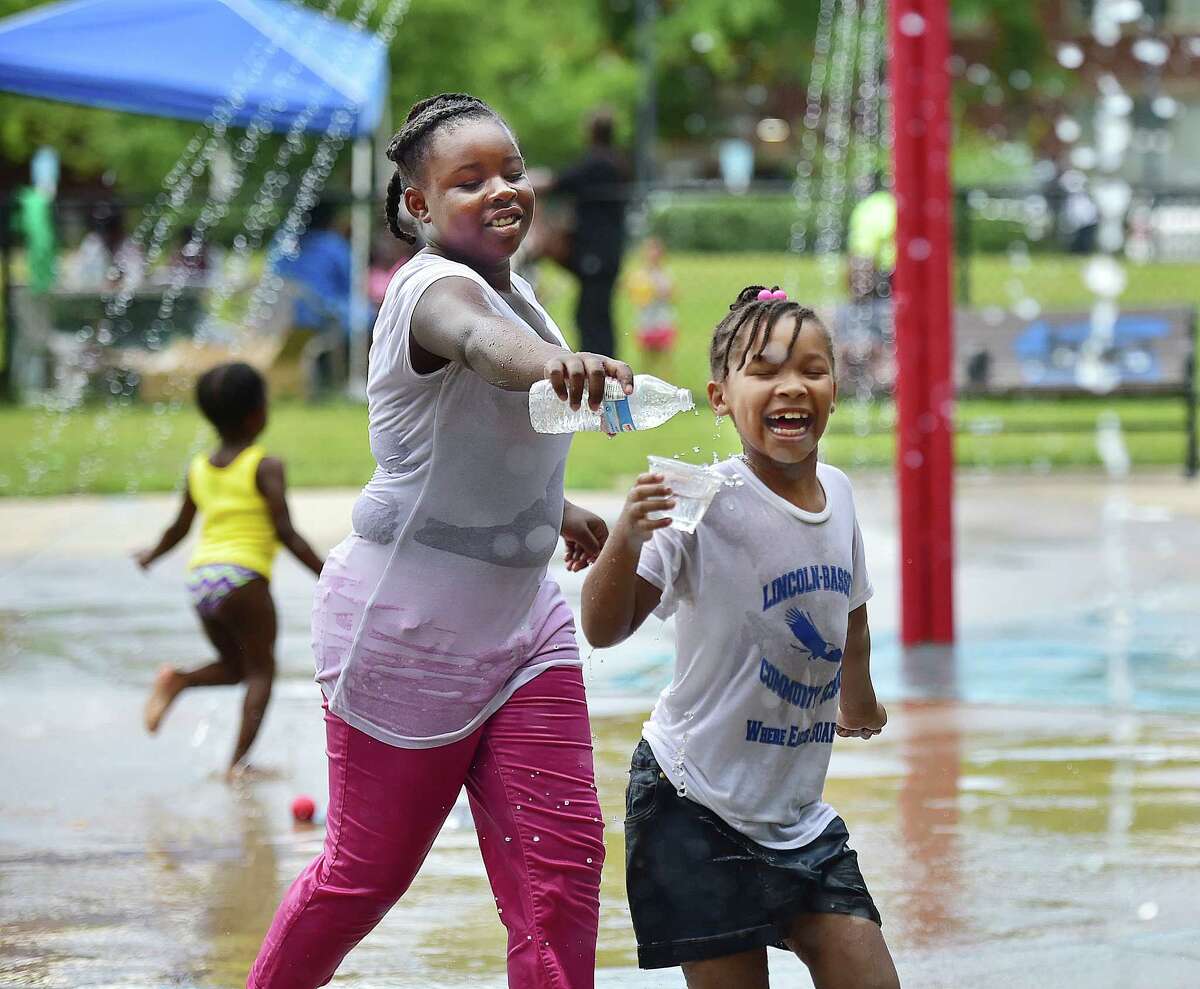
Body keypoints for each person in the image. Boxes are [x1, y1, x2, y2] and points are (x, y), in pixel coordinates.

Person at [247, 92, 634, 989]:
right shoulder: (432, 290)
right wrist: (556, 365)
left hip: (523, 625)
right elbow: (480, 348)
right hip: (407, 628)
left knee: (561, 873)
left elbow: (472, 436)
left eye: (511, 170)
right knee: (363, 878)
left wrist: (550, 507)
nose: (502, 189)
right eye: (469, 180)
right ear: (418, 206)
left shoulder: (520, 292)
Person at [581, 286, 899, 989]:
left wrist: (861, 703)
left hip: (797, 817)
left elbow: (852, 614)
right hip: (693, 804)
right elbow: (602, 628)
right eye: (764, 370)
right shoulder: (698, 498)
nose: (792, 386)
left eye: (812, 369)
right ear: (720, 396)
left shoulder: (840, 493)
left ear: (836, 390)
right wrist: (625, 538)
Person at [135, 362, 325, 778]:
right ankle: (238, 764)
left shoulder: (198, 467)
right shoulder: (263, 465)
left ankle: (179, 680)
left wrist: (152, 555)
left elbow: (180, 527)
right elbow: (286, 533)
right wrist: (329, 574)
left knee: (237, 668)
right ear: (257, 413)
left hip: (202, 580)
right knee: (262, 671)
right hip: (243, 580)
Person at [552, 108, 629, 358]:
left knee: (591, 315)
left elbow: (561, 182)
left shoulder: (598, 164)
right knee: (596, 312)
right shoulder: (616, 162)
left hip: (596, 252)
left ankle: (599, 366)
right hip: (608, 251)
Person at [271, 199, 352, 390]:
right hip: (320, 318)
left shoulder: (283, 244)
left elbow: (274, 277)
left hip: (283, 318)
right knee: (371, 318)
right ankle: (352, 378)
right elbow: (350, 285)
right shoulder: (334, 246)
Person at [843, 174, 896, 393]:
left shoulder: (867, 209)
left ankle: (874, 379)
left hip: (881, 276)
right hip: (905, 274)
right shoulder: (894, 203)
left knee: (868, 321)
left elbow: (863, 254)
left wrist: (856, 290)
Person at [626, 236, 678, 377]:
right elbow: (632, 293)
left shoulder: (665, 274)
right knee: (646, 359)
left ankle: (666, 384)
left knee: (664, 359)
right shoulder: (639, 275)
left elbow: (671, 294)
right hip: (646, 322)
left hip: (662, 321)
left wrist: (657, 291)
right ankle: (644, 384)